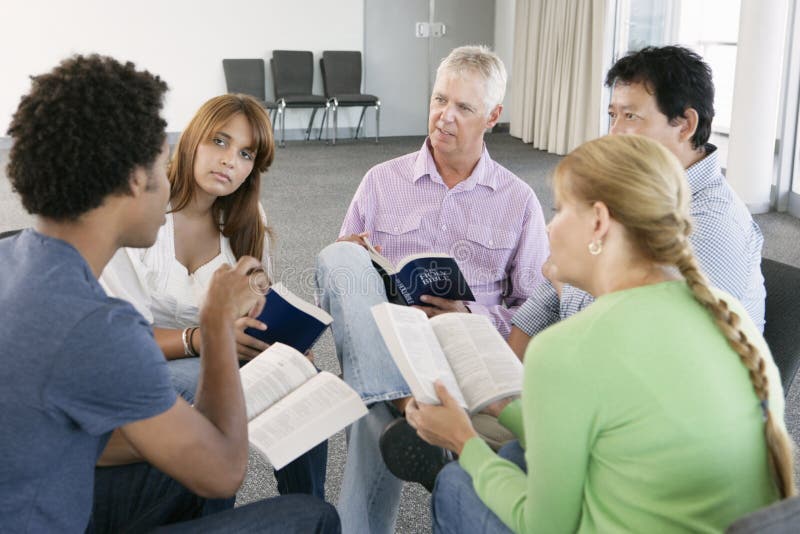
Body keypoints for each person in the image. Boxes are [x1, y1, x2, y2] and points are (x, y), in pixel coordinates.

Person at [0, 54, 339, 533]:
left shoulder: (14, 261)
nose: (168, 190)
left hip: (53, 486)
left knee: (191, 451)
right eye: (163, 165)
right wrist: (215, 329)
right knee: (314, 518)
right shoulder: (98, 323)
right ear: (137, 180)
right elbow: (223, 471)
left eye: (245, 154)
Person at [406, 134, 794, 533]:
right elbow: (627, 433)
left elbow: (543, 526)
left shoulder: (568, 348)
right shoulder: (729, 315)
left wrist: (463, 440)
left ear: (598, 222)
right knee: (514, 453)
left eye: (558, 211)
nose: (548, 228)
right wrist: (503, 408)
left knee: (456, 481)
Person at [315, 45, 549, 534]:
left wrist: (469, 313)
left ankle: (399, 407)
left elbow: (536, 309)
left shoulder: (519, 201)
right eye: (440, 99)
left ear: (493, 116)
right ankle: (402, 402)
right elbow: (340, 288)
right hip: (390, 344)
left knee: (372, 415)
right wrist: (357, 258)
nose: (445, 116)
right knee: (338, 257)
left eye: (464, 107)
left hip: (468, 354)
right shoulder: (381, 181)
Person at [99, 93, 327, 499]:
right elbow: (113, 337)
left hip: (222, 354)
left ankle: (306, 511)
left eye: (245, 154)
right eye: (219, 142)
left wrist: (280, 345)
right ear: (193, 138)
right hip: (146, 363)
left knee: (306, 382)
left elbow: (256, 308)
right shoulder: (141, 209)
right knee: (198, 388)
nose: (229, 161)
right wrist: (201, 339)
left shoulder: (246, 220)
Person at [509, 45, 766, 358]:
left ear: (685, 124)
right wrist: (505, 373)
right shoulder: (633, 187)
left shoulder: (712, 224)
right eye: (613, 115)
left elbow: (634, 339)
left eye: (631, 116)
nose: (613, 133)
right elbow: (551, 287)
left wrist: (565, 278)